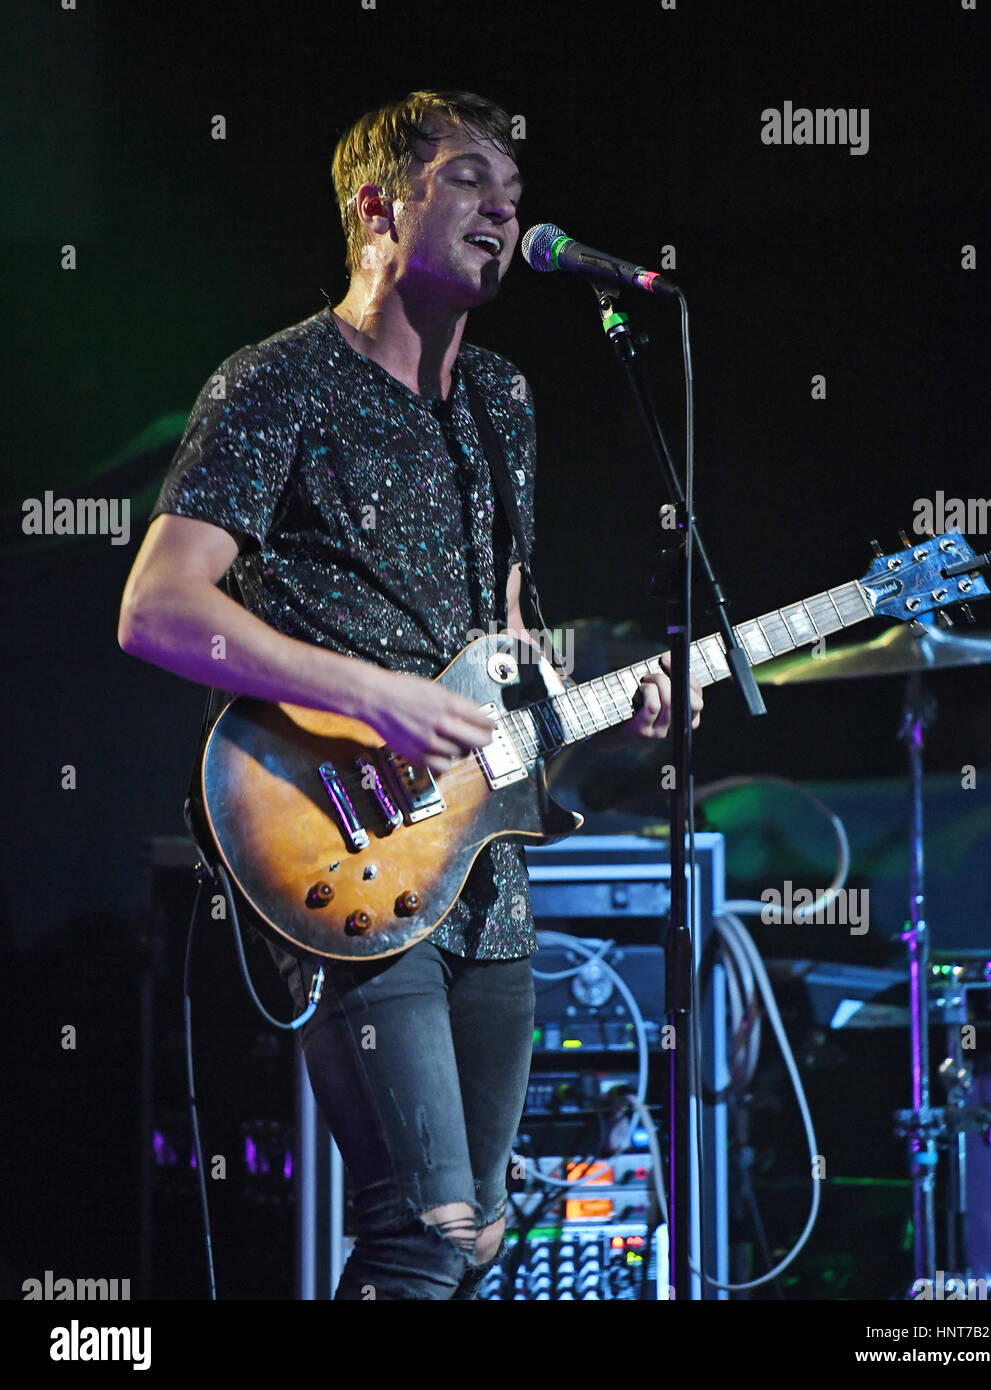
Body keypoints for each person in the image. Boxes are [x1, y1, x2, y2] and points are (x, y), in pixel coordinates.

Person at [118, 89, 703, 1300]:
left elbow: (502, 644)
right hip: (338, 835)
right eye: (472, 182)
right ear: (380, 207)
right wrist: (376, 697)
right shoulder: (273, 383)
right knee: (424, 1226)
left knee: (477, 1234)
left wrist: (614, 705)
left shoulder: (503, 405)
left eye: (516, 194)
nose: (506, 211)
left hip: (478, 861)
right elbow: (160, 608)